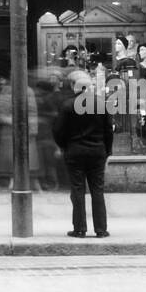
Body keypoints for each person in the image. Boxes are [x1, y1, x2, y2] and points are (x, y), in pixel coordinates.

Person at [53, 69, 113, 238]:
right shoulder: (100, 103)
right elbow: (109, 131)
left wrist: (64, 146)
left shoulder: (67, 105)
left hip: (75, 151)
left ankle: (79, 229)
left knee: (77, 190)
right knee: (98, 191)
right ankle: (101, 229)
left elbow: (58, 131)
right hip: (97, 152)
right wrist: (107, 152)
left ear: (74, 86)